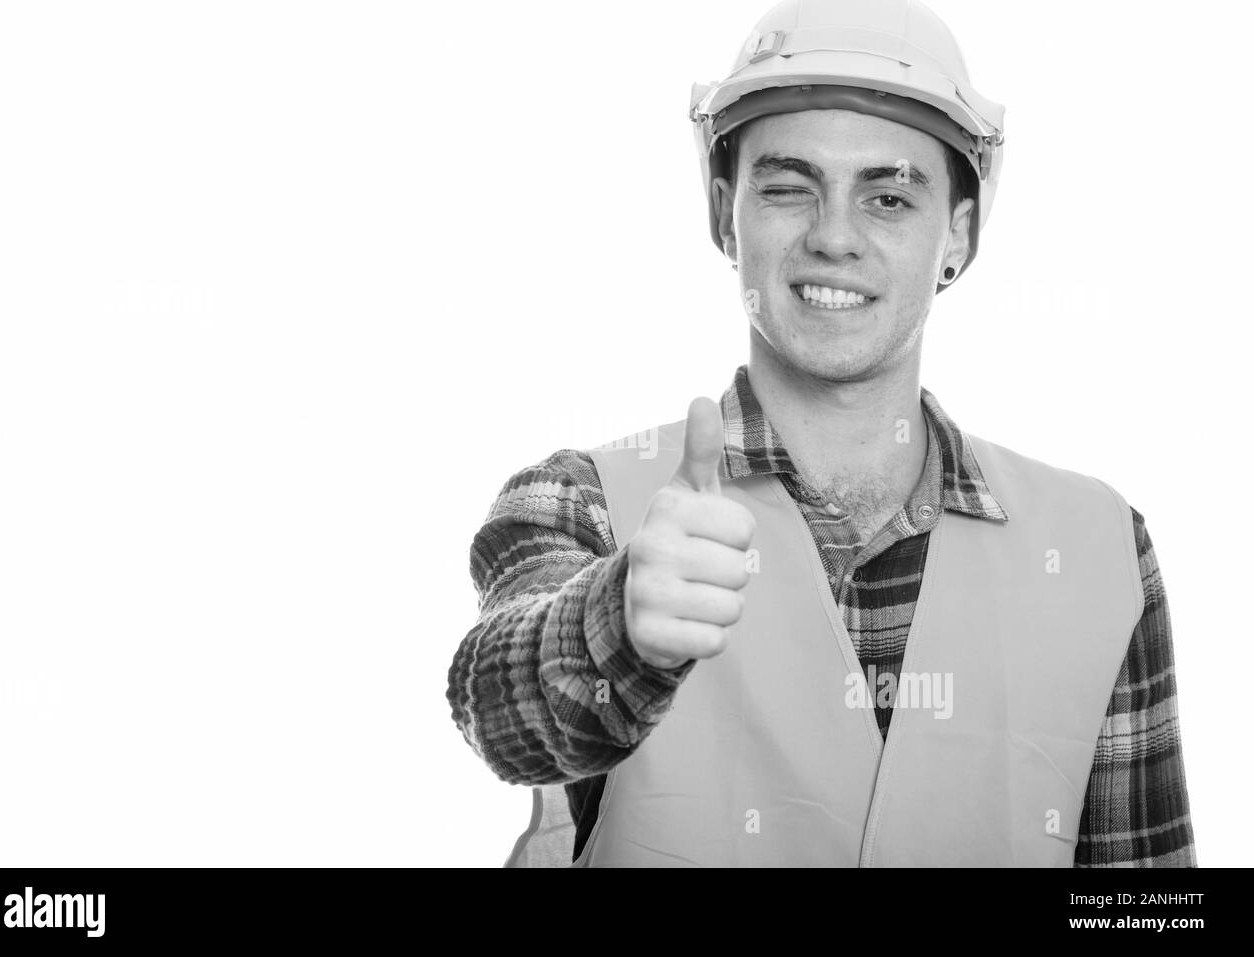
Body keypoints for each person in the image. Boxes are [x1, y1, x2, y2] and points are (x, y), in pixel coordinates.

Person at [446, 0, 1196, 867]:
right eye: (789, 187)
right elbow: (500, 712)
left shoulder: (1099, 548)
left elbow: (1142, 906)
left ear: (958, 234)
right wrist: (618, 623)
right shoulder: (585, 502)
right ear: (726, 213)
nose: (834, 236)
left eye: (888, 196)